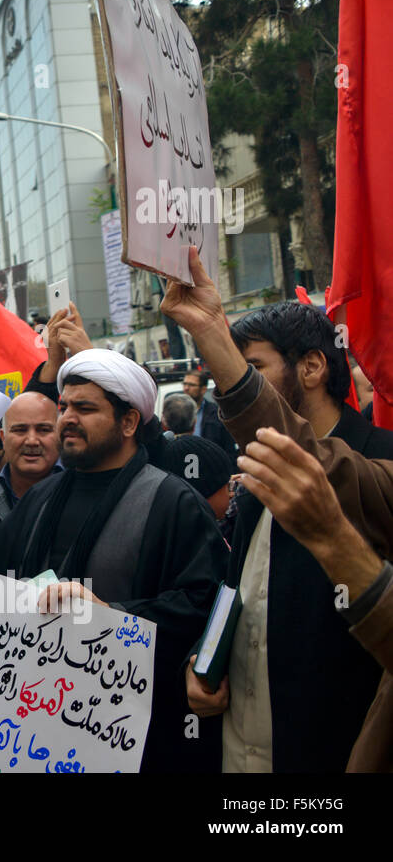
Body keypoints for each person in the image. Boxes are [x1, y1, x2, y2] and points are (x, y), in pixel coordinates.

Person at [0, 347, 223, 772]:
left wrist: (111, 616)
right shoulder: (45, 494)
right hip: (36, 730)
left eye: (85, 408)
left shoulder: (172, 501)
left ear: (129, 421)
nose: (67, 418)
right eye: (64, 407)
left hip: (128, 738)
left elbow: (202, 609)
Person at [163, 251, 393, 772]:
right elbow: (235, 593)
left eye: (254, 369)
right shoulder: (258, 474)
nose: (238, 381)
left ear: (311, 366)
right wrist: (200, 661)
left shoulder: (380, 462)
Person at [0, 391, 61, 523]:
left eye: (44, 429)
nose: (32, 441)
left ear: (59, 435)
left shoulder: (82, 491)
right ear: (3, 438)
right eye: (20, 430)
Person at [184, 370, 238, 460]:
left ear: (203, 389)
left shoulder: (217, 414)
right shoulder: (177, 411)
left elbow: (229, 449)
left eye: (191, 385)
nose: (186, 388)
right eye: (185, 384)